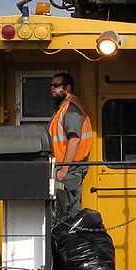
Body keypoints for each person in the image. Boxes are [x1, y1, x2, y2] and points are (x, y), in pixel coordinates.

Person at [48, 72, 93, 222]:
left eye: (56, 85)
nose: (52, 88)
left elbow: (74, 141)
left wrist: (63, 170)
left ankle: (72, 243)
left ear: (67, 88)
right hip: (64, 168)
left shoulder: (71, 110)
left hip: (70, 170)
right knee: (63, 213)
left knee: (69, 214)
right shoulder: (62, 109)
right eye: (51, 85)